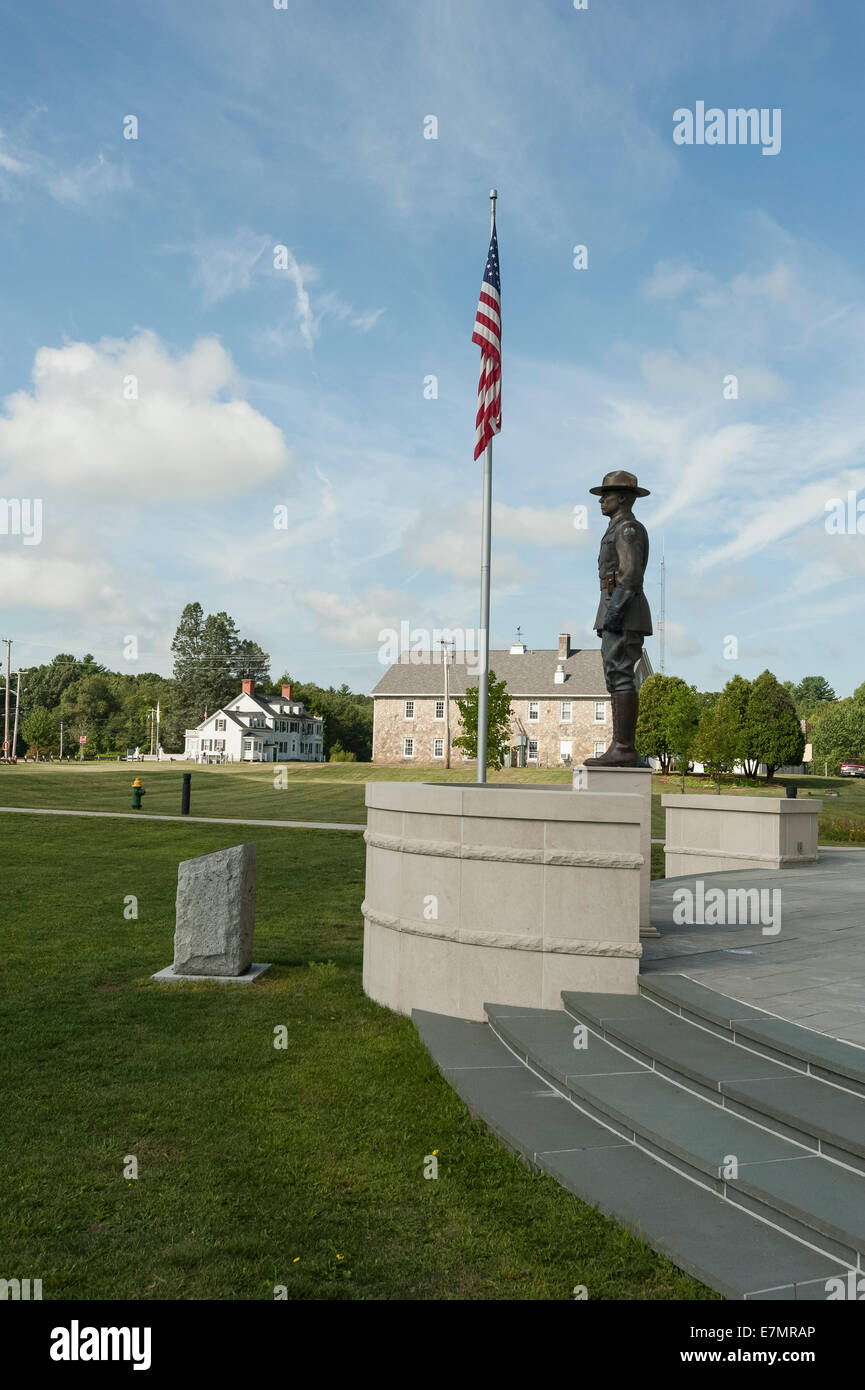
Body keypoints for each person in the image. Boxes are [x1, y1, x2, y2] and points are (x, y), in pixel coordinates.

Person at [585, 470, 652, 767]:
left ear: (622, 498)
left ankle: (624, 748)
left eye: (606, 495)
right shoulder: (615, 528)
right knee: (614, 676)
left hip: (623, 607)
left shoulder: (628, 529)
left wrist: (614, 613)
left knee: (621, 674)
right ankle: (619, 746)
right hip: (614, 604)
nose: (601, 501)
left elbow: (631, 575)